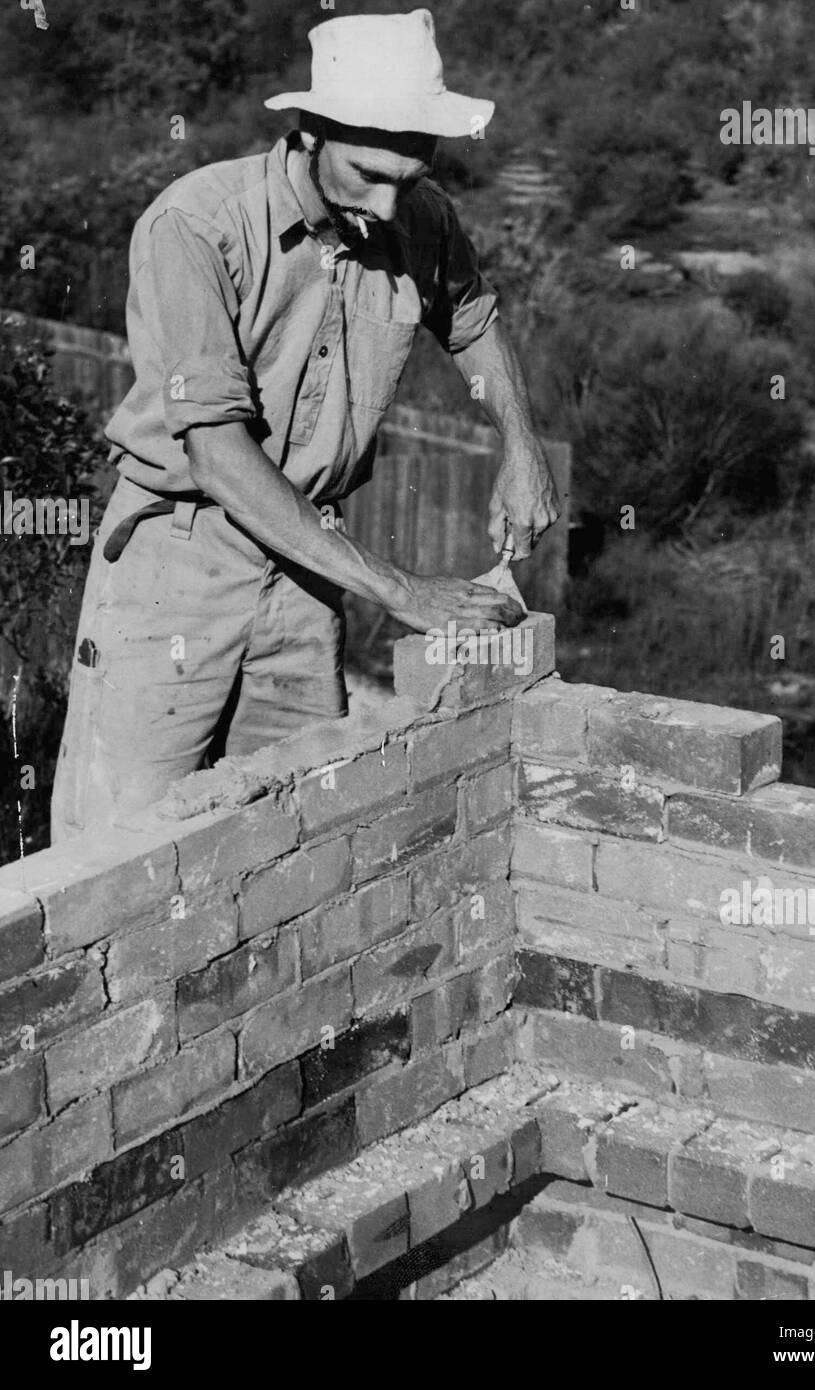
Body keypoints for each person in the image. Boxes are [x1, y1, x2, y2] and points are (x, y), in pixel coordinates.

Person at [50, 7, 560, 842]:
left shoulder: (417, 217)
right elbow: (216, 455)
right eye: (370, 173)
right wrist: (404, 593)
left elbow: (473, 322)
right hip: (182, 558)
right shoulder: (199, 225)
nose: (393, 203)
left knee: (287, 830)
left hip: (309, 567)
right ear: (311, 131)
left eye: (412, 173)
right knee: (121, 850)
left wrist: (523, 446)